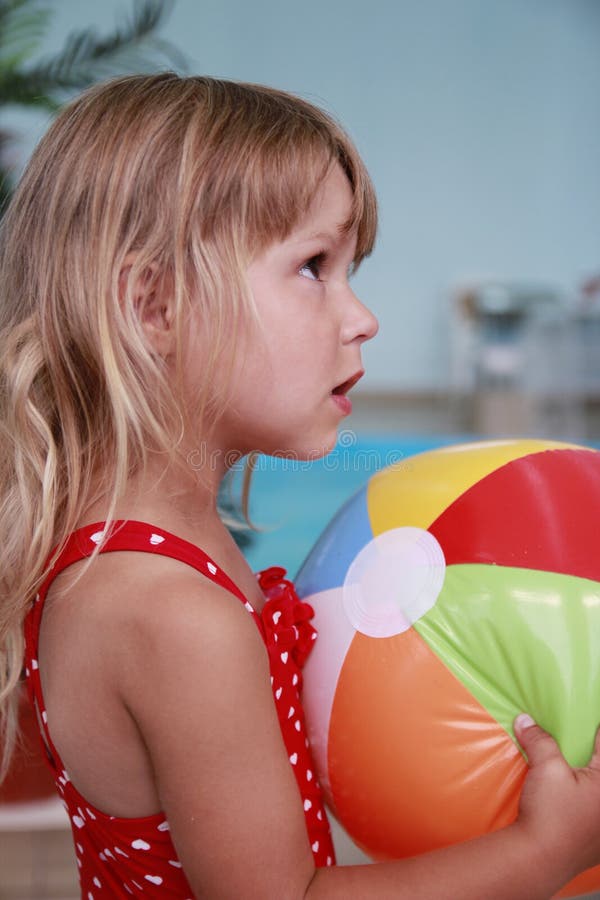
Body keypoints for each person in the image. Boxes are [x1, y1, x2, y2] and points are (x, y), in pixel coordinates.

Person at [0, 73, 599, 900]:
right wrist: (544, 853)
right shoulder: (170, 613)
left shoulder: (133, 558)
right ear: (155, 307)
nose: (363, 317)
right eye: (314, 266)